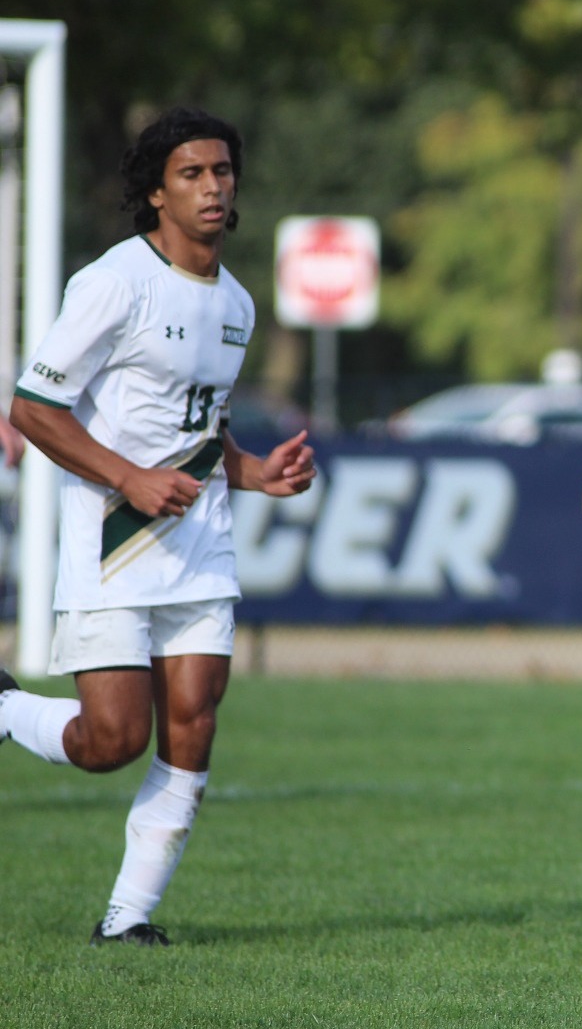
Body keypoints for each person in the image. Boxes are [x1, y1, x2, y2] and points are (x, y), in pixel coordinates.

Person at [0, 106, 317, 946]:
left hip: (199, 543)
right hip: (112, 540)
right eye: (191, 173)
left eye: (222, 171)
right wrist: (128, 476)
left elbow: (203, 434)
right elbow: (34, 408)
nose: (213, 186)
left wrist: (259, 473)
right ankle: (5, 706)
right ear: (155, 192)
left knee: (194, 722)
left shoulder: (238, 303)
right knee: (112, 740)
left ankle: (127, 918)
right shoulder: (115, 281)